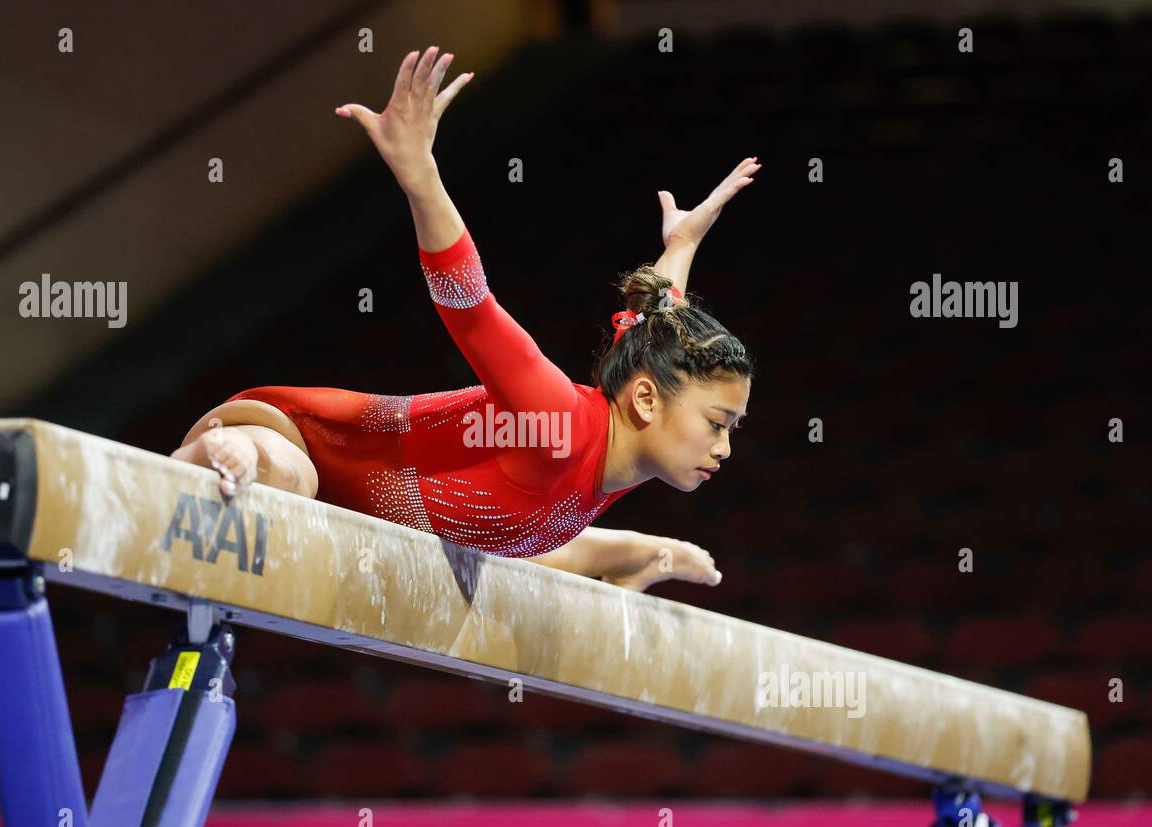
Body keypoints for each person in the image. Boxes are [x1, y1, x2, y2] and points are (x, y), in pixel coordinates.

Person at [172, 47, 758, 593]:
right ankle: (232, 457)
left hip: (428, 529)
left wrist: (681, 245)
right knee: (289, 480)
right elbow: (471, 307)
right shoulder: (557, 422)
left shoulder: (633, 443)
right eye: (718, 422)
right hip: (291, 444)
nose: (726, 447)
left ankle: (620, 552)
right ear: (648, 401)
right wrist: (418, 173)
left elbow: (657, 326)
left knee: (505, 554)